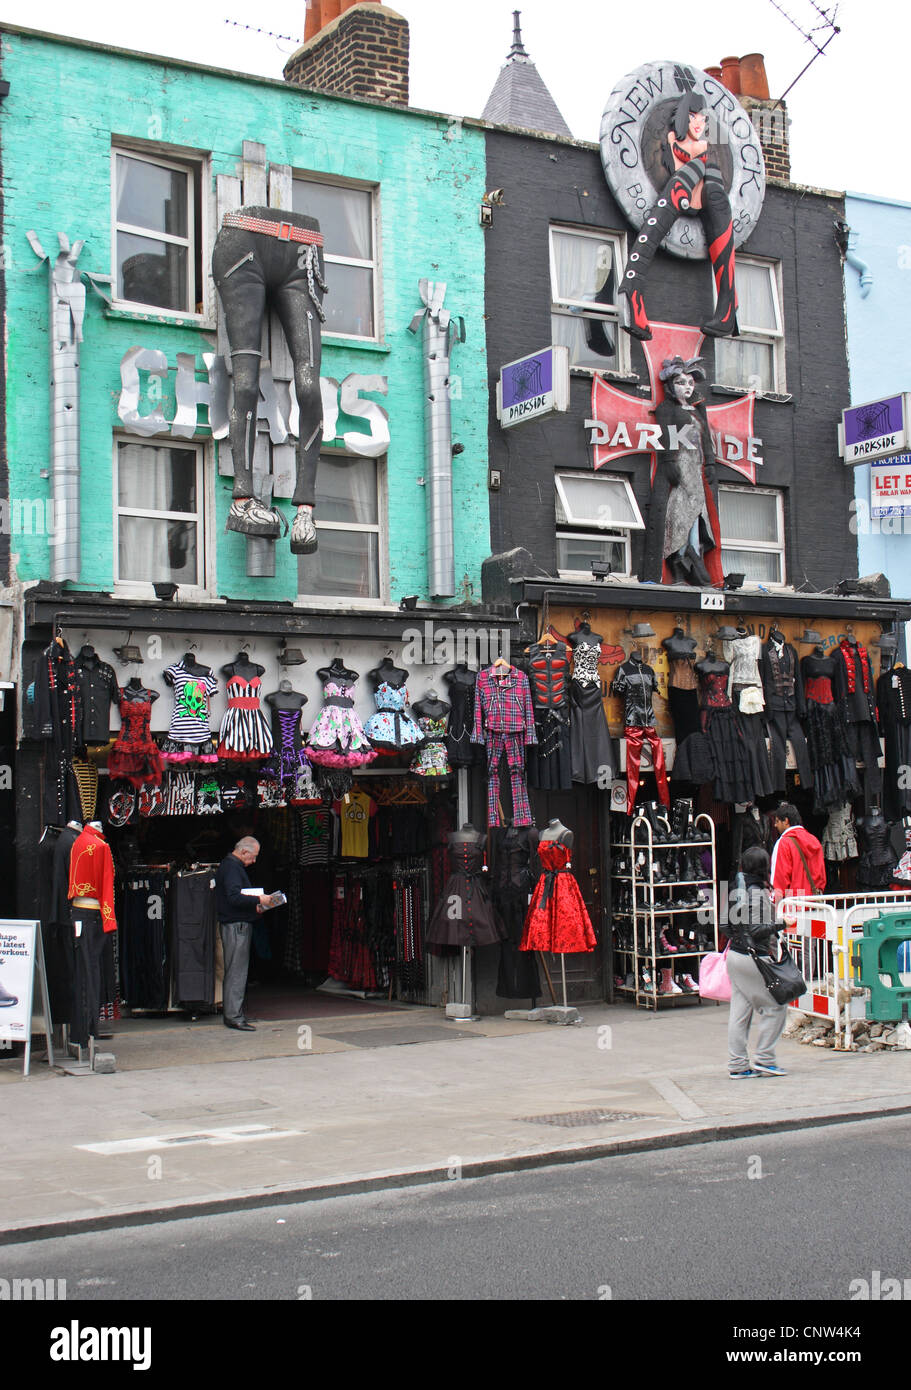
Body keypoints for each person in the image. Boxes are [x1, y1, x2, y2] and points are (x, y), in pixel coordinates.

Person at [726, 845, 789, 1077]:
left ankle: (737, 1065)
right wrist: (783, 923)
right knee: (776, 1005)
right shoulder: (758, 892)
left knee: (739, 1013)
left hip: (734, 955)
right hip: (753, 958)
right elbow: (758, 929)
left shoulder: (735, 886)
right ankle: (765, 1058)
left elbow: (725, 925)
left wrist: (738, 938)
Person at [215, 836, 271, 1032]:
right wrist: (259, 899)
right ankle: (234, 1016)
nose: (254, 861)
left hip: (236, 923)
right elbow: (234, 896)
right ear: (244, 852)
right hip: (236, 926)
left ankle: (233, 1014)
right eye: (253, 856)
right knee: (237, 972)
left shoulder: (230, 866)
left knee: (235, 970)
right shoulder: (232, 867)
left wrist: (255, 906)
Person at [769, 802, 826, 903]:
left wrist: (773, 901)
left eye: (777, 821)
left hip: (793, 905)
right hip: (815, 903)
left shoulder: (784, 843)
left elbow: (780, 879)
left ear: (786, 821)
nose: (775, 825)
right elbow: (821, 876)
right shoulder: (813, 840)